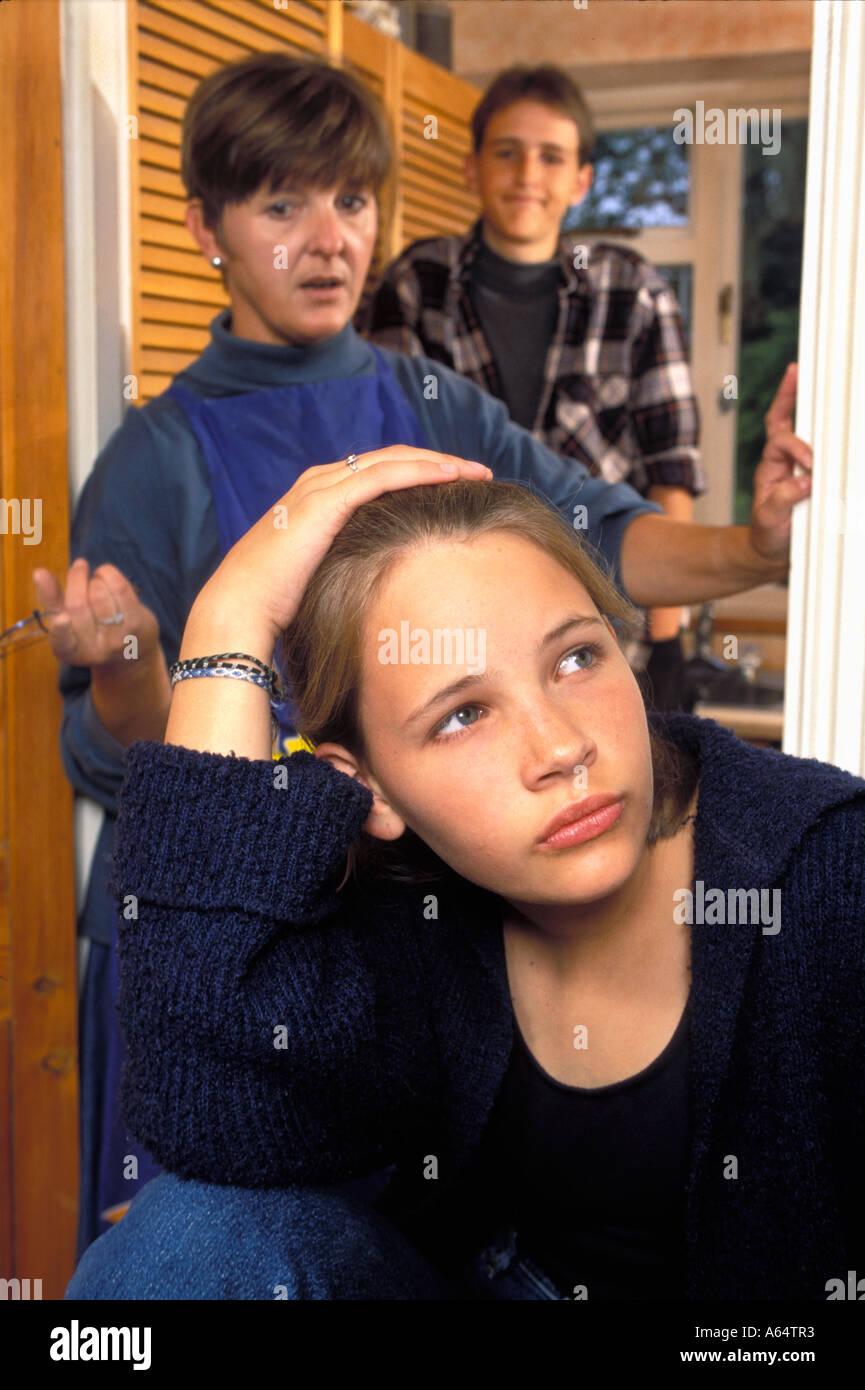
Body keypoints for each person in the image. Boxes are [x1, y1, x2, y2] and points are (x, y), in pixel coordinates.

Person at [35, 50, 808, 1259]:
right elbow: (125, 753)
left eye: (349, 200)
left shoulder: (437, 408)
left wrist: (757, 546)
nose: (328, 238)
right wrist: (138, 656)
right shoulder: (153, 454)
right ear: (205, 229)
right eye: (280, 204)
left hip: (405, 939)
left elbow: (606, 538)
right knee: (206, 1240)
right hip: (222, 945)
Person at [65, 457, 864, 1301]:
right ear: (363, 785)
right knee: (183, 1243)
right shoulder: (410, 909)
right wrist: (229, 622)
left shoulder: (829, 873)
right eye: (462, 715)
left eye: (576, 658)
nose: (561, 749)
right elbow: (207, 1105)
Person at [366, 64, 707, 709]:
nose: (527, 175)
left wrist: (669, 646)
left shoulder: (633, 291)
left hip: (607, 629)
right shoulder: (415, 283)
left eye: (551, 157)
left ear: (582, 180)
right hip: (452, 631)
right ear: (472, 168)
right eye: (507, 153)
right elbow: (390, 462)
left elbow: (671, 472)